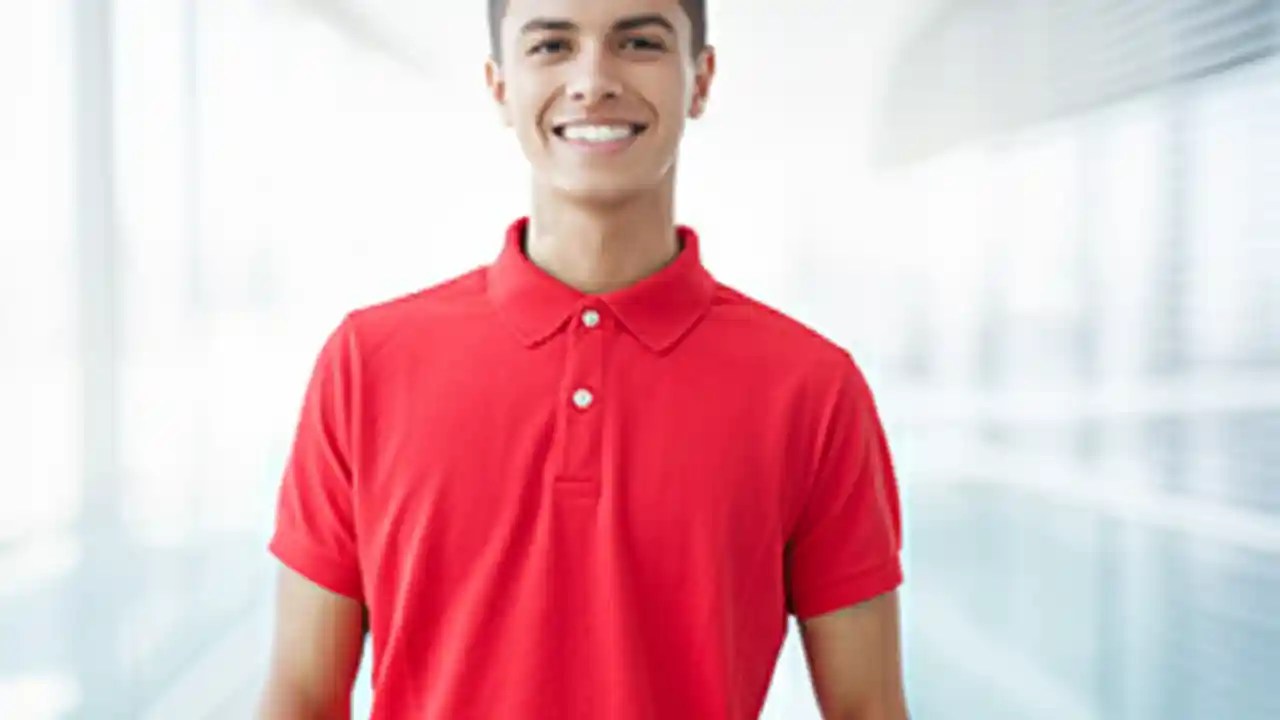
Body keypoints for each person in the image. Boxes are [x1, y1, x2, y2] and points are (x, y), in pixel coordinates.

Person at [257, 0, 908, 717]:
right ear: (500, 84)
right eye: (551, 46)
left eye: (639, 42)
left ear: (700, 80)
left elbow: (868, 709)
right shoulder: (366, 364)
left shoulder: (812, 388)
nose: (594, 80)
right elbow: (301, 697)